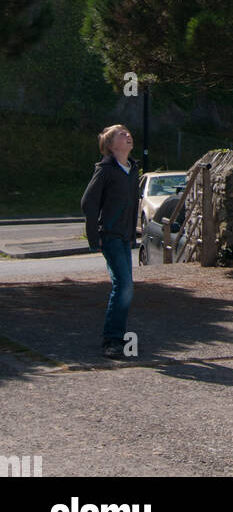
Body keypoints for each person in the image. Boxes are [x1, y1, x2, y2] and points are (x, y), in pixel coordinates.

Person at [81, 125, 140, 359]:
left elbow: (134, 205)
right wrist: (94, 237)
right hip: (111, 235)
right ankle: (112, 339)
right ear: (110, 145)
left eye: (128, 132)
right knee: (123, 285)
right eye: (121, 134)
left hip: (125, 236)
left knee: (126, 287)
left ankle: (118, 336)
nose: (128, 135)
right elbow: (89, 203)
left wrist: (134, 235)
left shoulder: (132, 169)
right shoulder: (105, 170)